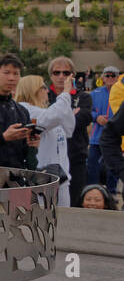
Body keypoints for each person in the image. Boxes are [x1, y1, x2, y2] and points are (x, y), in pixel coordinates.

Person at [16, 76, 74, 206]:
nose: (47, 91)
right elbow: (51, 117)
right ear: (32, 90)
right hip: (41, 178)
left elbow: (69, 128)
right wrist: (65, 94)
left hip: (62, 177)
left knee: (64, 221)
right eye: (43, 87)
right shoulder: (25, 110)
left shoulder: (46, 111)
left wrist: (64, 104)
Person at [0, 54, 41, 170]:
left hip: (16, 178)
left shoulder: (22, 111)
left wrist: (32, 145)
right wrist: (3, 138)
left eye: (16, 73)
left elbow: (26, 157)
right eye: (7, 72)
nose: (11, 78)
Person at [47, 56, 93, 203]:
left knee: (74, 203)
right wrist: (68, 115)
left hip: (75, 158)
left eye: (66, 73)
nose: (61, 76)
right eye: (57, 72)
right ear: (51, 75)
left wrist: (53, 116)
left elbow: (81, 121)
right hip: (48, 159)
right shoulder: (43, 95)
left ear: (72, 75)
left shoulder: (84, 97)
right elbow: (42, 123)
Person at [88, 65, 119, 194]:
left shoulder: (121, 94)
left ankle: (111, 192)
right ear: (103, 78)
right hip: (96, 137)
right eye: (107, 75)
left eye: (113, 76)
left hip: (114, 137)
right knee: (92, 166)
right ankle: (93, 191)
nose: (110, 78)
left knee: (113, 167)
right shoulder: (95, 93)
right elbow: (87, 112)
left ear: (117, 78)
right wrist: (97, 117)